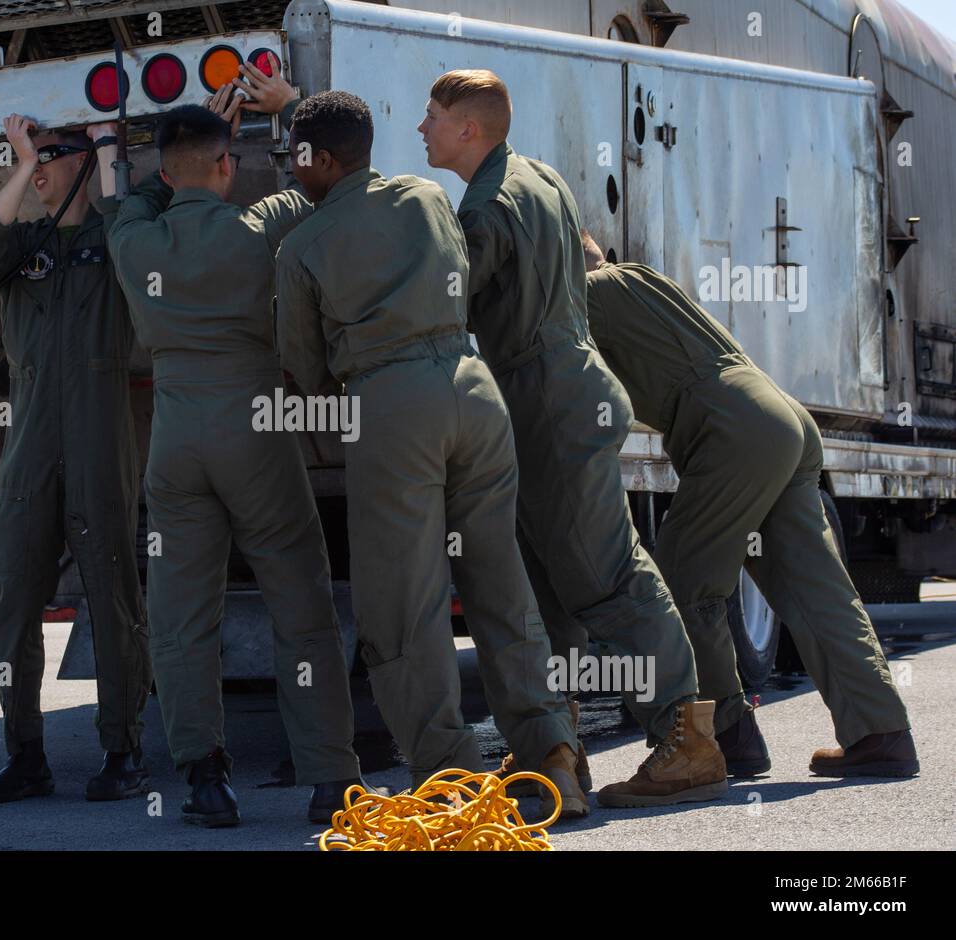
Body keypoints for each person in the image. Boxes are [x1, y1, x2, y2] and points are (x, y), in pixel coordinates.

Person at [419, 68, 726, 807]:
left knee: (603, 577)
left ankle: (689, 742)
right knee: (544, 592)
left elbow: (438, 303)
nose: (420, 128)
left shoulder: (487, 207)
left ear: (468, 128)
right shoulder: (540, 176)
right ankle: (554, 755)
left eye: (431, 115)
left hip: (548, 402)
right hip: (554, 396)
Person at [276, 90, 585, 818]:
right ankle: (552, 758)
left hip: (391, 406)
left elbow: (308, 368)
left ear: (320, 159)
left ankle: (453, 779)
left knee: (405, 606)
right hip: (474, 392)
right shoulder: (425, 194)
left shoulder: (302, 248)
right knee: (502, 585)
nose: (292, 173)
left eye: (296, 158)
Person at [106, 64, 371, 827]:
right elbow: (321, 183)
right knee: (300, 599)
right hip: (256, 429)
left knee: (182, 613)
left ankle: (205, 780)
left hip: (176, 438)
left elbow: (142, 198)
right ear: (229, 167)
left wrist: (182, 155)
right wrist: (284, 117)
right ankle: (327, 776)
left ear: (164, 167)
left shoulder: (132, 240)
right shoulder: (261, 231)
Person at [580, 232, 918, 778]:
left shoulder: (588, 295)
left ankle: (728, 736)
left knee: (687, 585)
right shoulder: (641, 279)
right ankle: (881, 733)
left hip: (733, 429)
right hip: (779, 416)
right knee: (817, 588)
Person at [0, 109, 151, 804]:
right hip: (31, 442)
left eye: (50, 156)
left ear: (81, 160)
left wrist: (105, 151)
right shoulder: (21, 245)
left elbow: (137, 247)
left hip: (100, 436)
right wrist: (20, 165)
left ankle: (122, 747)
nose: (38, 169)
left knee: (112, 596)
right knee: (11, 599)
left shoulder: (114, 233)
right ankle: (25, 754)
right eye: (29, 158)